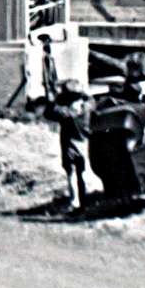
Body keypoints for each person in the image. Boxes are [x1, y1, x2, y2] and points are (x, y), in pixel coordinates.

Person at [42, 80, 94, 211]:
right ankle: (84, 203)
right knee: (82, 174)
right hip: (85, 144)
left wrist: (51, 100)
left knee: (71, 173)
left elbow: (49, 113)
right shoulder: (87, 107)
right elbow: (91, 101)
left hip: (70, 145)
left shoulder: (68, 112)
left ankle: (74, 202)